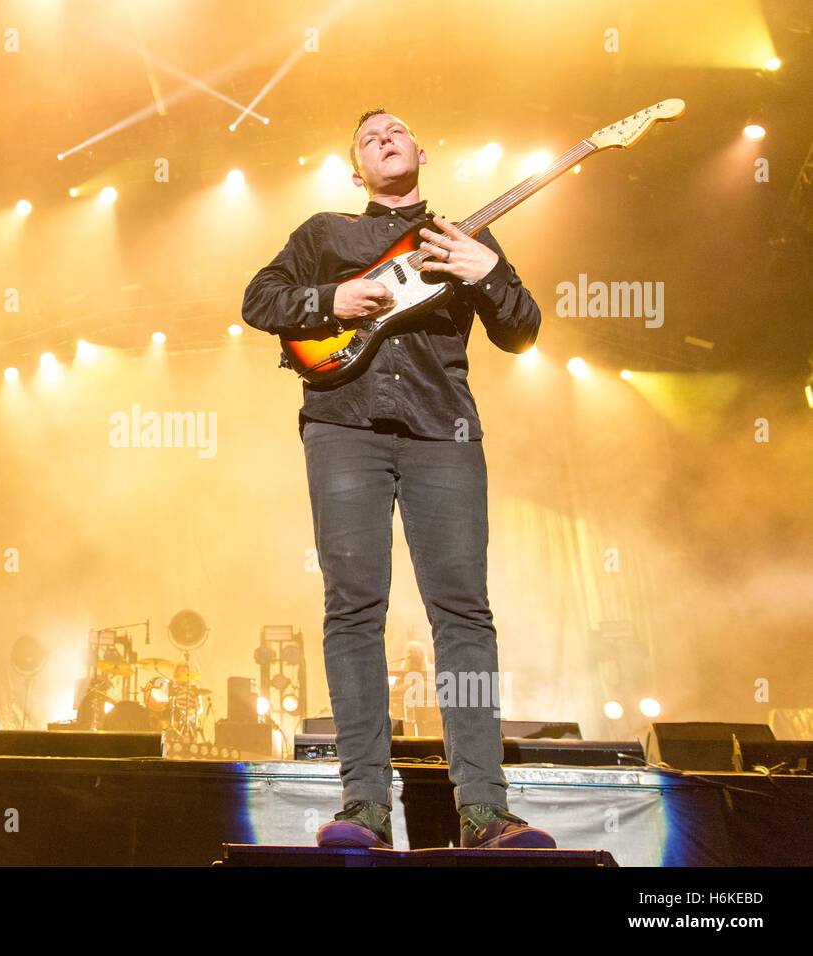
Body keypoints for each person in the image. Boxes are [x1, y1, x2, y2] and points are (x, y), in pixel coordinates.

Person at [242, 108, 555, 850]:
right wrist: (331, 300)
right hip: (342, 426)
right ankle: (364, 809)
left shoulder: (463, 240)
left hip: (443, 432)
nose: (384, 137)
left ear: (422, 150)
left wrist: (492, 272)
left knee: (463, 612)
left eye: (397, 130)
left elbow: (522, 331)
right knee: (353, 606)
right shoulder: (323, 235)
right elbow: (258, 300)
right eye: (368, 138)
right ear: (357, 172)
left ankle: (483, 810)